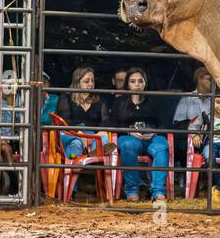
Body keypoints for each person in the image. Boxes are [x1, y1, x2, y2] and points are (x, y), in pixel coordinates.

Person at [113, 67, 169, 202]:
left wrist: (155, 131)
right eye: (133, 81)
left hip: (151, 138)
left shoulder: (155, 100)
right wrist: (129, 131)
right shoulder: (120, 102)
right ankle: (132, 191)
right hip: (130, 137)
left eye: (140, 81)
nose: (137, 85)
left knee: (162, 146)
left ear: (145, 83)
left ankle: (158, 192)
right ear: (128, 84)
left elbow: (165, 123)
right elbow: (113, 124)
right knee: (127, 145)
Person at [57, 66, 111, 157]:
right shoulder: (66, 98)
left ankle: (93, 163)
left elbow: (105, 122)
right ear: (77, 82)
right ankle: (74, 167)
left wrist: (101, 131)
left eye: (92, 81)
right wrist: (78, 132)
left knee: (103, 139)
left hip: (92, 134)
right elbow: (65, 121)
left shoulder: (100, 101)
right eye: (86, 81)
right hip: (70, 133)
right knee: (76, 142)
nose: (90, 84)